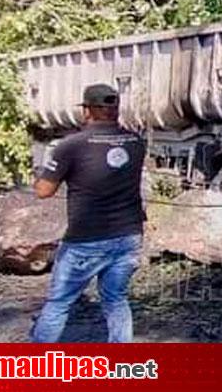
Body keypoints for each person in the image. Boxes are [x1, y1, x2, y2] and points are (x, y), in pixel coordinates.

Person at [31, 83, 146, 343]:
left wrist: (42, 173)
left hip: (86, 240)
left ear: (87, 111)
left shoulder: (71, 145)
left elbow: (43, 191)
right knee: (116, 299)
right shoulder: (136, 142)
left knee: (59, 302)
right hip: (129, 236)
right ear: (116, 110)